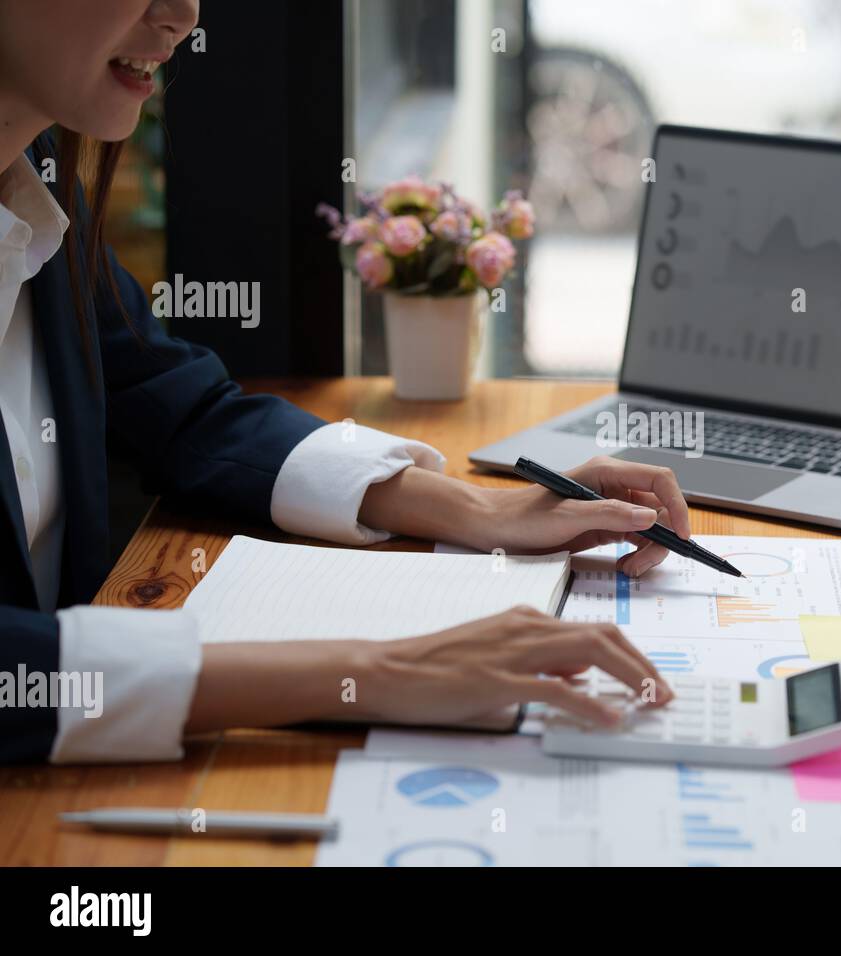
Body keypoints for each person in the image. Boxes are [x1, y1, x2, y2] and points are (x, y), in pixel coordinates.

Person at [0, 0, 679, 764]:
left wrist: (478, 509)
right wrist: (372, 673)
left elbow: (179, 409)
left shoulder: (35, 181)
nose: (185, 13)